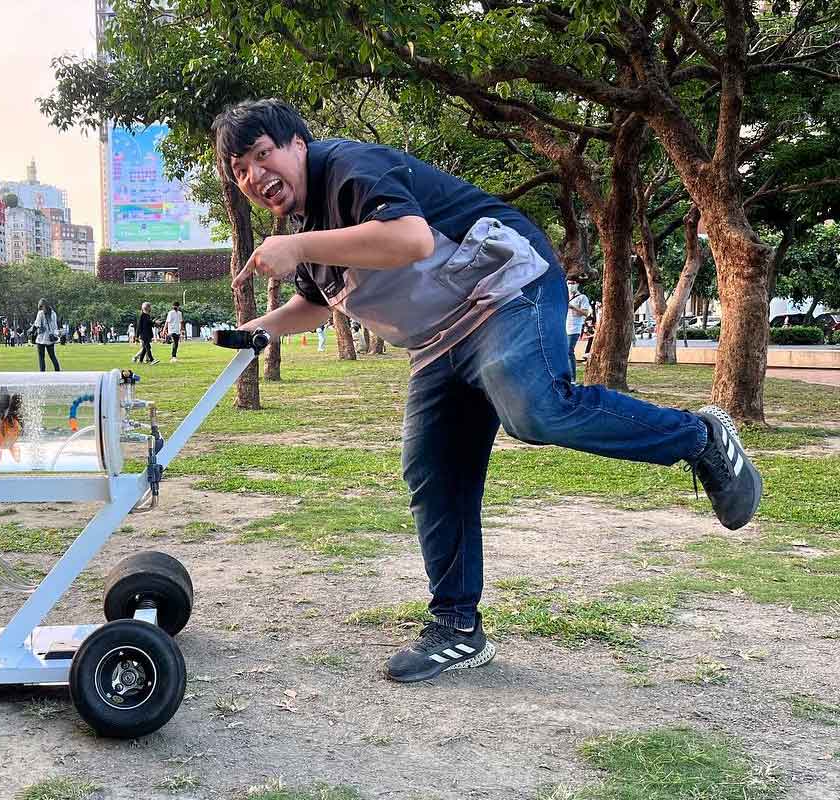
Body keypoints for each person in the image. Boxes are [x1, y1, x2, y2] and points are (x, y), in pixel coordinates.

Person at [215, 99, 762, 683]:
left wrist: (298, 249)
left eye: (261, 155)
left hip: (502, 292)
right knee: (434, 471)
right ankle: (456, 628)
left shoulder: (350, 167)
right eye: (240, 170)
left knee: (535, 408)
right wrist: (253, 332)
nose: (253, 176)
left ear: (298, 143)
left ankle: (701, 437)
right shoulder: (307, 227)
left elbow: (409, 239)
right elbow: (316, 305)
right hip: (438, 341)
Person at [566, 279, 592, 380]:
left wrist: (573, 307)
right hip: (564, 327)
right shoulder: (565, 297)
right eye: (569, 283)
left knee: (569, 351)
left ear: (577, 284)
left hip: (574, 327)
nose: (570, 285)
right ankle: (566, 377)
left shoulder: (582, 297)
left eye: (573, 283)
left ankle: (573, 379)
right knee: (562, 352)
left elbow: (586, 313)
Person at [31, 299, 61, 372]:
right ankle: (58, 372)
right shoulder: (53, 313)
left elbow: (37, 324)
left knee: (41, 358)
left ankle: (42, 373)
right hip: (50, 338)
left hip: (41, 338)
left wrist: (32, 331)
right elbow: (55, 326)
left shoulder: (40, 313)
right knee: (52, 356)